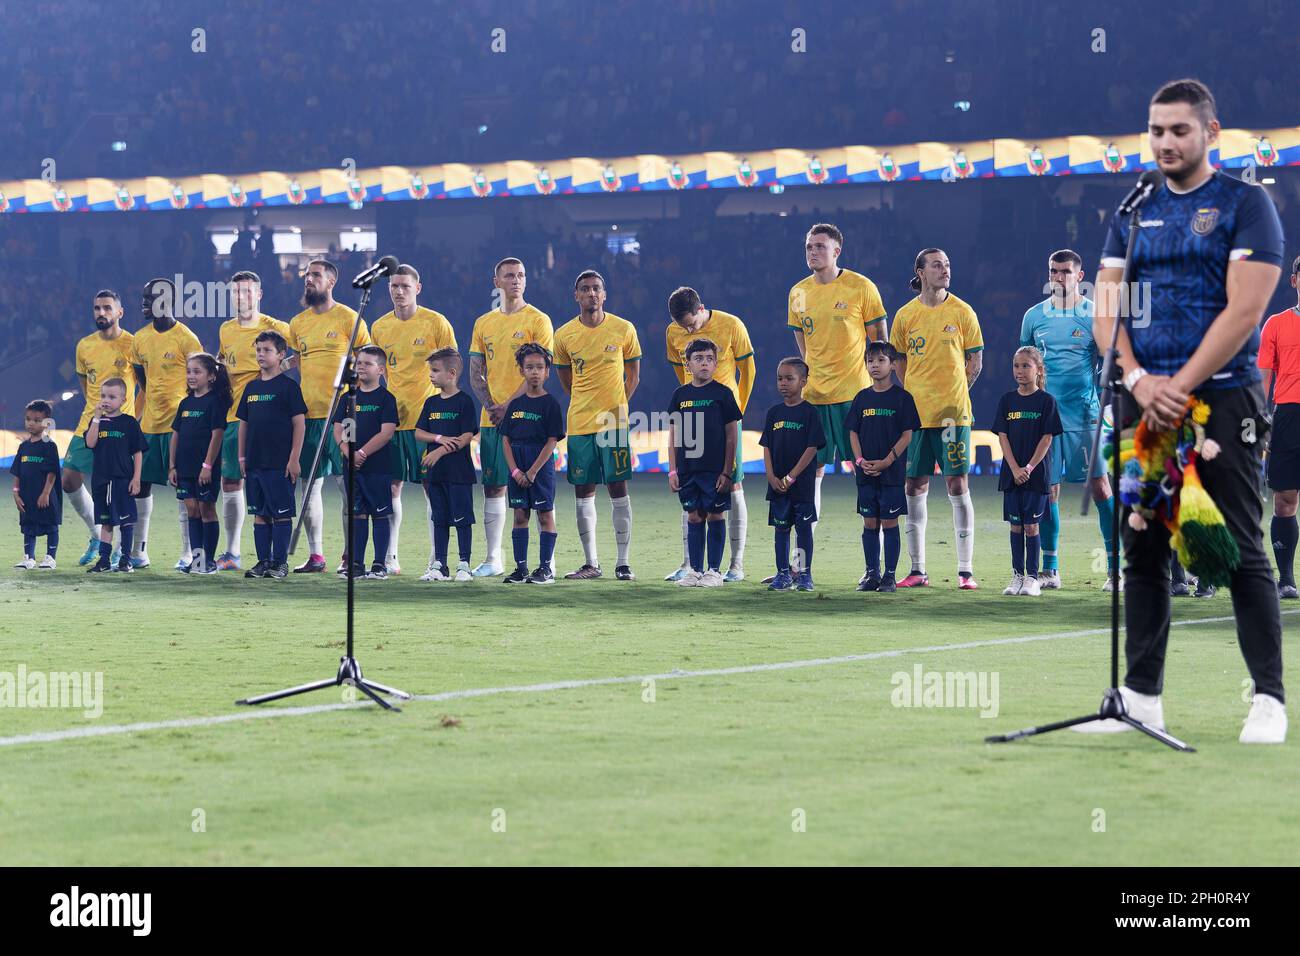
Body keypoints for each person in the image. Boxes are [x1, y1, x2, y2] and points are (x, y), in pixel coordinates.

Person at [1085, 78, 1287, 743]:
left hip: (1224, 398)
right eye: (1157, 130)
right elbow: (1106, 302)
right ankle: (1141, 699)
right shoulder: (1136, 204)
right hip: (1145, 402)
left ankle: (1268, 699)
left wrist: (1181, 385)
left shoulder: (1244, 203)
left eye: (1179, 130)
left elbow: (1246, 308)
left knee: (1235, 547)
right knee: (1142, 546)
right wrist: (1139, 378)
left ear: (1210, 133)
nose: (1166, 142)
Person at [786, 224, 888, 562]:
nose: (812, 251)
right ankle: (801, 564)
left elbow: (878, 341)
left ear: (836, 251)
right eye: (808, 246)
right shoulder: (798, 292)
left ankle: (876, 566)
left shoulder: (861, 287)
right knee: (807, 479)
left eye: (819, 246)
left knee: (867, 474)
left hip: (855, 397)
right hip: (814, 398)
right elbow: (803, 343)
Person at [1020, 249, 1117, 590]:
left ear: (1080, 276)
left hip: (1086, 416)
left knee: (1101, 487)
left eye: (1064, 271)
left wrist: (1105, 402)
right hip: (1046, 417)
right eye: (1053, 271)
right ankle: (1050, 569)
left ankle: (1114, 570)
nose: (1057, 277)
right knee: (1047, 491)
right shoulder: (1034, 316)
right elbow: (1026, 363)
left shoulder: (1095, 315)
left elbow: (1108, 362)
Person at [890, 248, 984, 590]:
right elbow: (899, 361)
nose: (944, 270)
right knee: (914, 485)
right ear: (920, 271)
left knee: (957, 485)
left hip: (951, 416)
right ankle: (918, 570)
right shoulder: (904, 315)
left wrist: (955, 392)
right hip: (915, 417)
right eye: (937, 265)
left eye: (947, 264)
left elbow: (975, 362)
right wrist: (913, 392)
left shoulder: (962, 311)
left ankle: (965, 571)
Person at [468, 257, 554, 577]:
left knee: (535, 489)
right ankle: (494, 558)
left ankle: (546, 561)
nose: (516, 280)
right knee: (493, 486)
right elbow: (476, 371)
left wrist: (508, 405)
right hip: (492, 418)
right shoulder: (483, 323)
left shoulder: (539, 320)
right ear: (497, 282)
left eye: (520, 275)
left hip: (530, 416)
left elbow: (541, 370)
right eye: (509, 275)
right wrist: (492, 404)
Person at [553, 270, 641, 581]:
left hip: (613, 421)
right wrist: (585, 401)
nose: (591, 293)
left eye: (596, 289)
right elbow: (566, 379)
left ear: (604, 295)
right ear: (576, 295)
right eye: (585, 289)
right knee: (583, 491)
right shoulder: (563, 335)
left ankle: (622, 562)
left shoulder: (623, 329)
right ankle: (591, 563)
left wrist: (617, 405)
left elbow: (633, 375)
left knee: (618, 488)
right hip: (579, 422)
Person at [369, 264, 457, 574]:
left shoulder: (436, 323)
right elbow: (374, 372)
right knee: (390, 487)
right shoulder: (379, 327)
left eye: (405, 286)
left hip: (428, 421)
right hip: (393, 420)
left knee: (432, 488)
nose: (399, 291)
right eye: (394, 286)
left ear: (417, 288)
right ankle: (390, 557)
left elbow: (451, 369)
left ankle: (437, 559)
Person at [664, 287, 756, 582]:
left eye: (692, 323)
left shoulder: (731, 324)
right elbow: (681, 373)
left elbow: (748, 369)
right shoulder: (672, 332)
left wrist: (737, 409)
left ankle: (735, 564)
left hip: (724, 415)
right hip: (693, 416)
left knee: (732, 486)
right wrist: (690, 396)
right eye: (683, 327)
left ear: (702, 307)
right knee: (690, 489)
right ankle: (690, 563)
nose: (688, 330)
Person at [286, 259, 371, 573]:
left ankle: (350, 555)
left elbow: (370, 361)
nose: (309, 280)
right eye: (307, 275)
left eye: (316, 275)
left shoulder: (351, 318)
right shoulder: (297, 323)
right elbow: (296, 360)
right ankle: (316, 555)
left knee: (347, 485)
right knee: (309, 488)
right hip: (309, 416)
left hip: (344, 415)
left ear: (331, 281)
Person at [215, 271, 290, 571]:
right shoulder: (226, 329)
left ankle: (304, 554)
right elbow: (223, 364)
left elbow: (303, 356)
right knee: (230, 481)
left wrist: (280, 368)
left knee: (270, 483)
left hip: (268, 419)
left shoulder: (278, 328)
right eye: (235, 292)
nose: (240, 297)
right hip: (235, 416)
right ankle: (233, 552)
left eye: (247, 292)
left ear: (259, 294)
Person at [130, 278, 204, 570]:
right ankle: (139, 552)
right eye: (144, 298)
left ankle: (187, 554)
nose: (144, 304)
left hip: (179, 426)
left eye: (149, 298)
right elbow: (142, 382)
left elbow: (198, 382)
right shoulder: (139, 339)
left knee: (183, 489)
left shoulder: (187, 339)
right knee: (141, 487)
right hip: (149, 425)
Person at [64, 290, 136, 566]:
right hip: (90, 422)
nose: (101, 313)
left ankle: (124, 549)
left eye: (107, 307)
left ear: (120, 312)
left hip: (120, 429)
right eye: (97, 308)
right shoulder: (84, 346)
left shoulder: (133, 343)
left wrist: (131, 417)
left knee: (119, 490)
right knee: (69, 478)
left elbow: (141, 384)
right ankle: (96, 535)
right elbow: (87, 387)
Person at [667, 339, 743, 587]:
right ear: (688, 364)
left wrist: (727, 471)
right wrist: (672, 469)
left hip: (714, 469)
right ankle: (695, 571)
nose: (705, 363)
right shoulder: (680, 395)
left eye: (710, 358)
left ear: (716, 363)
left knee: (715, 515)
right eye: (699, 358)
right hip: (688, 469)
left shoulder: (723, 394)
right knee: (694, 517)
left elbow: (732, 436)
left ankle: (714, 571)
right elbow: (674, 435)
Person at [847, 343, 920, 592]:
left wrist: (888, 461)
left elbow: (907, 435)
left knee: (889, 522)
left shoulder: (903, 398)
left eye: (880, 360)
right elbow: (853, 432)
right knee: (869, 523)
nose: (874, 365)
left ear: (892, 364)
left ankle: (889, 576)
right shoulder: (861, 398)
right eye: (870, 361)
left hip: (891, 474)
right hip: (865, 473)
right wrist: (859, 461)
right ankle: (871, 574)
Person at [237, 331, 307, 580]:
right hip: (255, 461)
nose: (260, 355)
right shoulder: (252, 387)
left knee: (281, 513)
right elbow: (243, 424)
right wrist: (242, 458)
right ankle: (263, 561)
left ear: (281, 355)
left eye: (266, 350)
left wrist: (294, 458)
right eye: (258, 350)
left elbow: (299, 424)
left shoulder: (289, 387)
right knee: (259, 514)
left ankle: (280, 563)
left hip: (279, 463)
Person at [994, 348, 1062, 597]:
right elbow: (1002, 436)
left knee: (1032, 526)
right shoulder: (1006, 401)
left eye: (1026, 366)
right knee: (1015, 525)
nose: (1020, 371)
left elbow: (1046, 439)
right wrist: (1014, 468)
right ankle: (1017, 576)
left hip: (1035, 474)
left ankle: (1033, 578)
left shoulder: (1047, 401)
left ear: (1039, 370)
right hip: (1012, 474)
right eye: (1016, 366)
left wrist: (1029, 468)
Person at [331, 346, 399, 579]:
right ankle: (356, 565)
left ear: (380, 369)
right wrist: (347, 450)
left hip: (377, 467)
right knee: (357, 514)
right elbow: (339, 427)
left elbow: (387, 432)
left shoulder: (386, 398)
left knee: (380, 514)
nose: (360, 367)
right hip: (352, 468)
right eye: (358, 363)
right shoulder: (348, 397)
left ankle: (379, 564)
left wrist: (362, 453)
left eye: (367, 364)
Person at [500, 344, 565, 584]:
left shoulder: (551, 405)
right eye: (529, 367)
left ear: (547, 371)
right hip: (518, 467)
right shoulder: (515, 405)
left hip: (540, 468)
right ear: (521, 371)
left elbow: (551, 441)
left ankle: (545, 569)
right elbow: (505, 440)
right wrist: (516, 471)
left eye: (540, 367)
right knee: (520, 516)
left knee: (545, 516)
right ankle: (520, 569)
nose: (535, 372)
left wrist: (532, 471)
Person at [760, 357, 826, 592]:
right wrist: (771, 476)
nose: (783, 383)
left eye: (789, 378)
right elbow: (766, 446)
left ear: (803, 382)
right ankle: (782, 574)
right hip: (777, 484)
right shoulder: (773, 413)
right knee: (781, 529)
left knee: (803, 529)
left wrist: (791, 477)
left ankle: (805, 575)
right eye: (780, 378)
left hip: (801, 485)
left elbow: (812, 448)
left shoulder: (809, 413)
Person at [414, 348, 479, 582]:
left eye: (435, 371)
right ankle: (439, 565)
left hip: (459, 473)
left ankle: (464, 565)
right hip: (436, 474)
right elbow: (419, 432)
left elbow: (465, 437)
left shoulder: (465, 402)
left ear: (451, 373)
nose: (430, 375)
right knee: (439, 518)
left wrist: (440, 452)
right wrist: (438, 439)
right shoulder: (431, 403)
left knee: (462, 518)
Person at [1258, 254, 1300, 600]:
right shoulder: (1276, 323)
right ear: (1294, 281)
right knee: (1285, 499)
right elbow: (1264, 377)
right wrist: (1258, 418)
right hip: (1288, 415)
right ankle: (1286, 579)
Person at [169, 354, 232, 574]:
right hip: (184, 468)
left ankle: (209, 561)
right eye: (188, 371)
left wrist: (207, 466)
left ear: (211, 376)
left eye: (197, 372)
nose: (191, 376)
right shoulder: (185, 403)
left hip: (205, 469)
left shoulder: (215, 402)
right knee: (192, 511)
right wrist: (172, 466)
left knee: (206, 509)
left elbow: (217, 435)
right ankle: (197, 561)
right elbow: (176, 434)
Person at [84, 378, 145, 574]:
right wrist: (95, 418)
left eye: (112, 396)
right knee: (106, 521)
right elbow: (91, 443)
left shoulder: (129, 423)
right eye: (103, 396)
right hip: (101, 480)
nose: (106, 400)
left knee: (126, 521)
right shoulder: (97, 422)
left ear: (123, 399)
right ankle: (103, 560)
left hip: (122, 480)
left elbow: (137, 452)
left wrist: (136, 479)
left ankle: (125, 560)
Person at [11, 399, 62, 569]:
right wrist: (16, 493)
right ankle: (29, 558)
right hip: (27, 495)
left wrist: (46, 493)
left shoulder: (49, 446)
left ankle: (50, 558)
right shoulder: (23, 447)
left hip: (44, 495)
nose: (31, 423)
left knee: (50, 525)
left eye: (37, 420)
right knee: (28, 525)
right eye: (28, 419)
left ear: (47, 423)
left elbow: (52, 471)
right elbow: (17, 472)